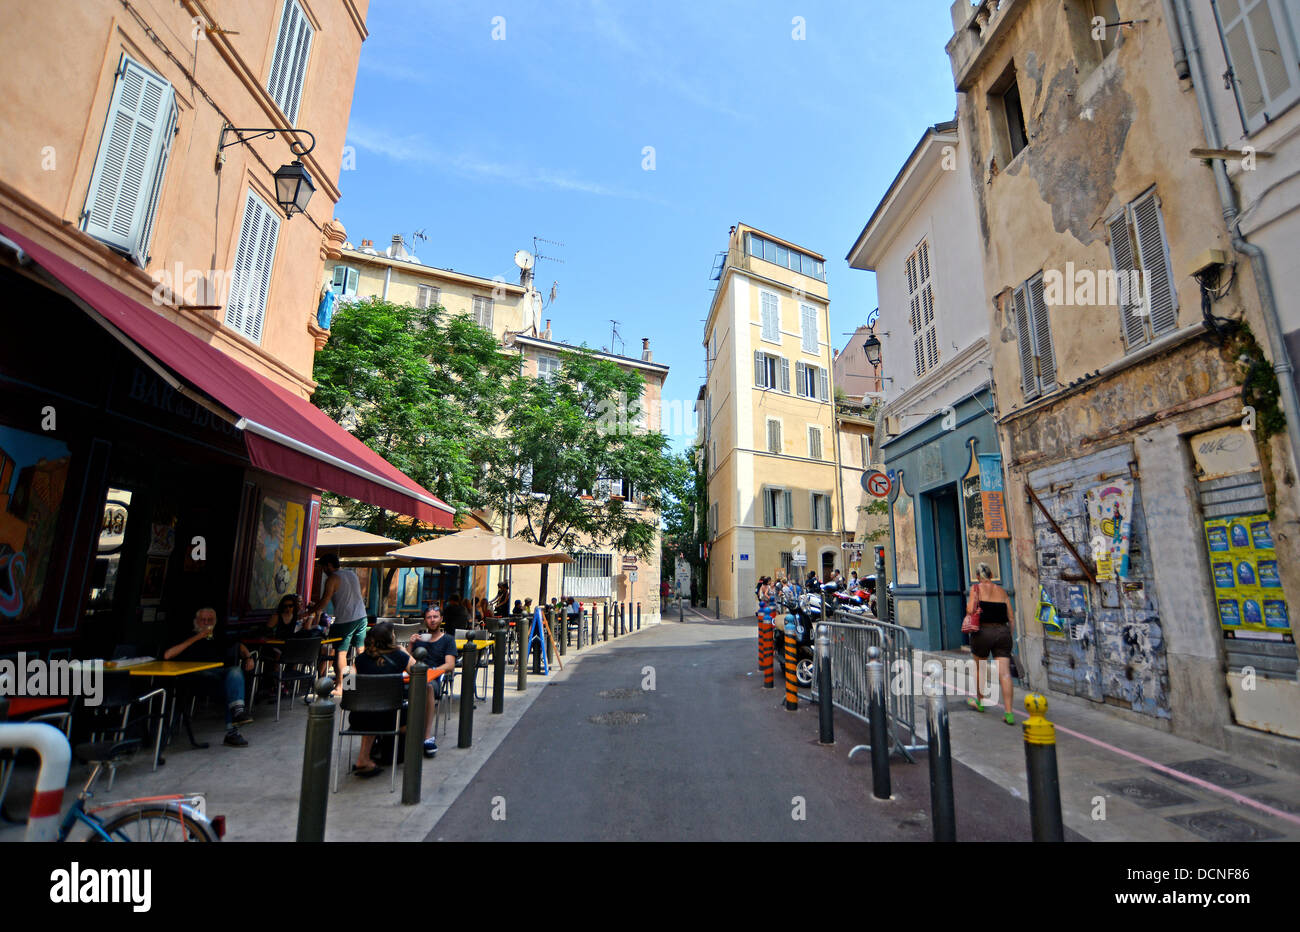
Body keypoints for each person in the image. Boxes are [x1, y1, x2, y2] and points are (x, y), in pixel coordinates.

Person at [163, 607, 255, 747]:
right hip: (193, 675)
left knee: (235, 672)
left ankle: (238, 714)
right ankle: (233, 730)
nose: (206, 623)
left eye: (210, 620)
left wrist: (248, 657)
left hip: (216, 673)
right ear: (196, 621)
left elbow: (238, 645)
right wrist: (197, 637)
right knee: (228, 686)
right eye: (202, 620)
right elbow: (167, 655)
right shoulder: (187, 634)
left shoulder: (218, 636)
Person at [347, 622, 414, 777]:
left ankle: (364, 757)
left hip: (358, 718)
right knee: (411, 714)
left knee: (371, 709)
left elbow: (348, 687)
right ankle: (408, 756)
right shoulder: (399, 656)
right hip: (390, 719)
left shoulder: (360, 659)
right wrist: (405, 651)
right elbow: (419, 671)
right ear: (390, 638)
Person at [307, 554, 368, 696]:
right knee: (359, 652)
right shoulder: (352, 574)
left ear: (328, 565)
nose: (323, 571)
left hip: (346, 620)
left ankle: (341, 687)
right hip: (362, 616)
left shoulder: (332, 579)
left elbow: (324, 601)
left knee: (341, 653)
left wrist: (308, 613)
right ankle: (356, 684)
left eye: (323, 567)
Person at [966, 563, 1015, 725]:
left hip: (983, 632)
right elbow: (1011, 617)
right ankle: (1009, 713)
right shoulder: (1002, 591)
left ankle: (980, 702)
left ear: (978, 577)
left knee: (980, 668)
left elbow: (970, 610)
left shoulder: (976, 589)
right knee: (1005, 673)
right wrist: (1010, 634)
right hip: (1003, 632)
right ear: (992, 575)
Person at [408, 606, 457, 757]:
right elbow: (405, 660)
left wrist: (432, 671)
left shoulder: (448, 640)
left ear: (441, 619)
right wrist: (410, 645)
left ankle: (426, 736)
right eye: (429, 617)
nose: (432, 620)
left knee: (427, 687)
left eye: (435, 616)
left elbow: (450, 664)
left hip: (433, 679)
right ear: (425, 620)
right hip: (414, 676)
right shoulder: (420, 639)